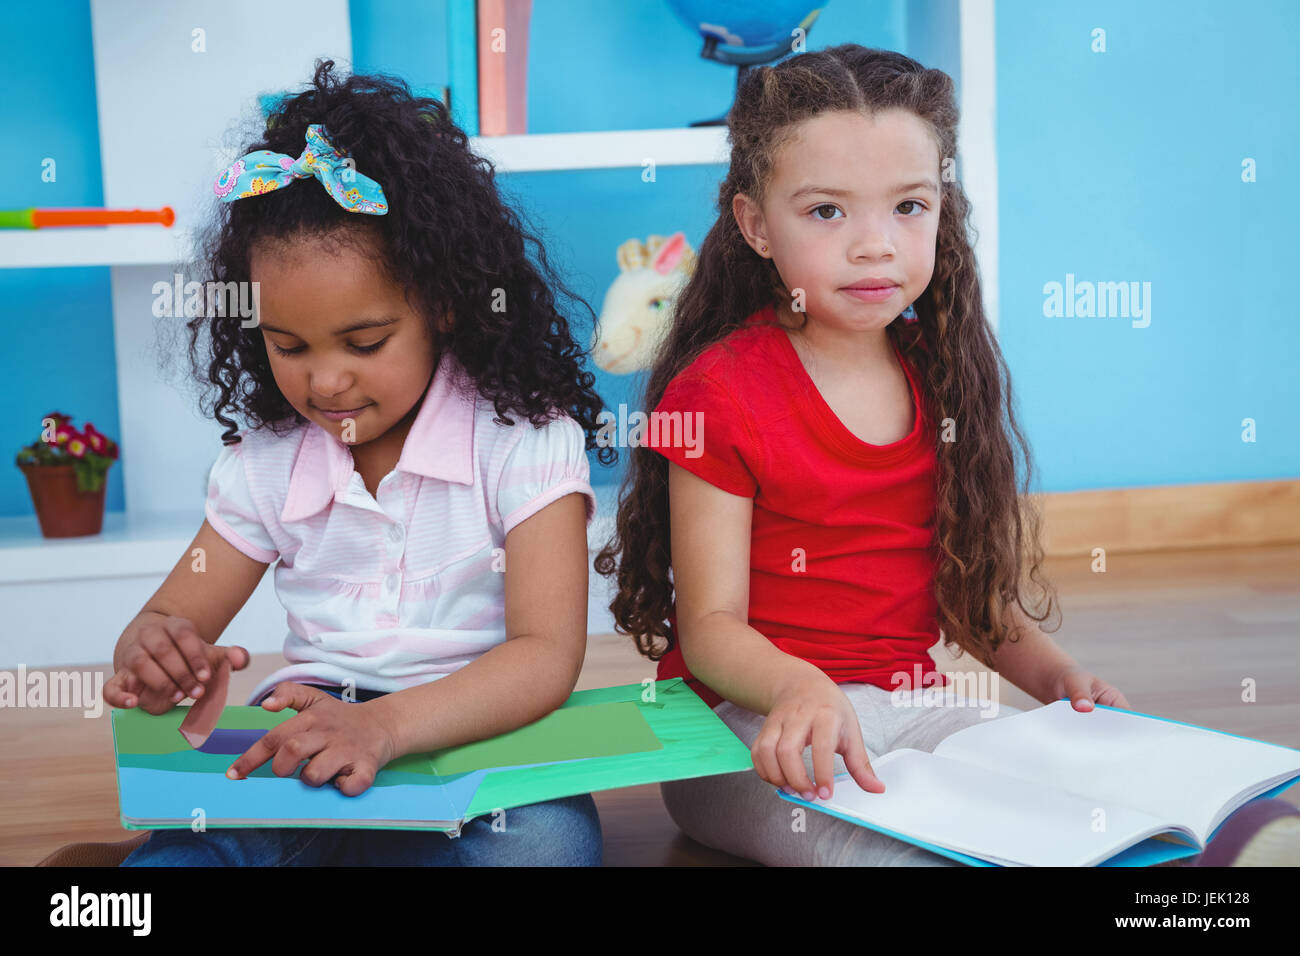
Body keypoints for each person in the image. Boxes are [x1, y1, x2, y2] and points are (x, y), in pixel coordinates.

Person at [594, 44, 1298, 867]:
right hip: (751, 728)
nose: (874, 245)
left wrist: (1059, 677)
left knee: (1088, 809)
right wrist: (797, 686)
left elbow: (971, 596)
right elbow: (712, 628)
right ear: (755, 224)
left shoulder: (943, 369)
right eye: (827, 212)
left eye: (908, 208)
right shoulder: (721, 392)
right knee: (904, 854)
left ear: (941, 209)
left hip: (921, 709)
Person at [106, 60, 613, 866]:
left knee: (545, 849)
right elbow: (174, 616)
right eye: (288, 346)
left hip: (479, 730)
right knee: (193, 852)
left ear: (442, 302)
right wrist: (155, 651)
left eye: (365, 342)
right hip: (311, 723)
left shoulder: (524, 437)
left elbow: (546, 655)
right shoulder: (265, 461)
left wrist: (387, 725)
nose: (326, 380)